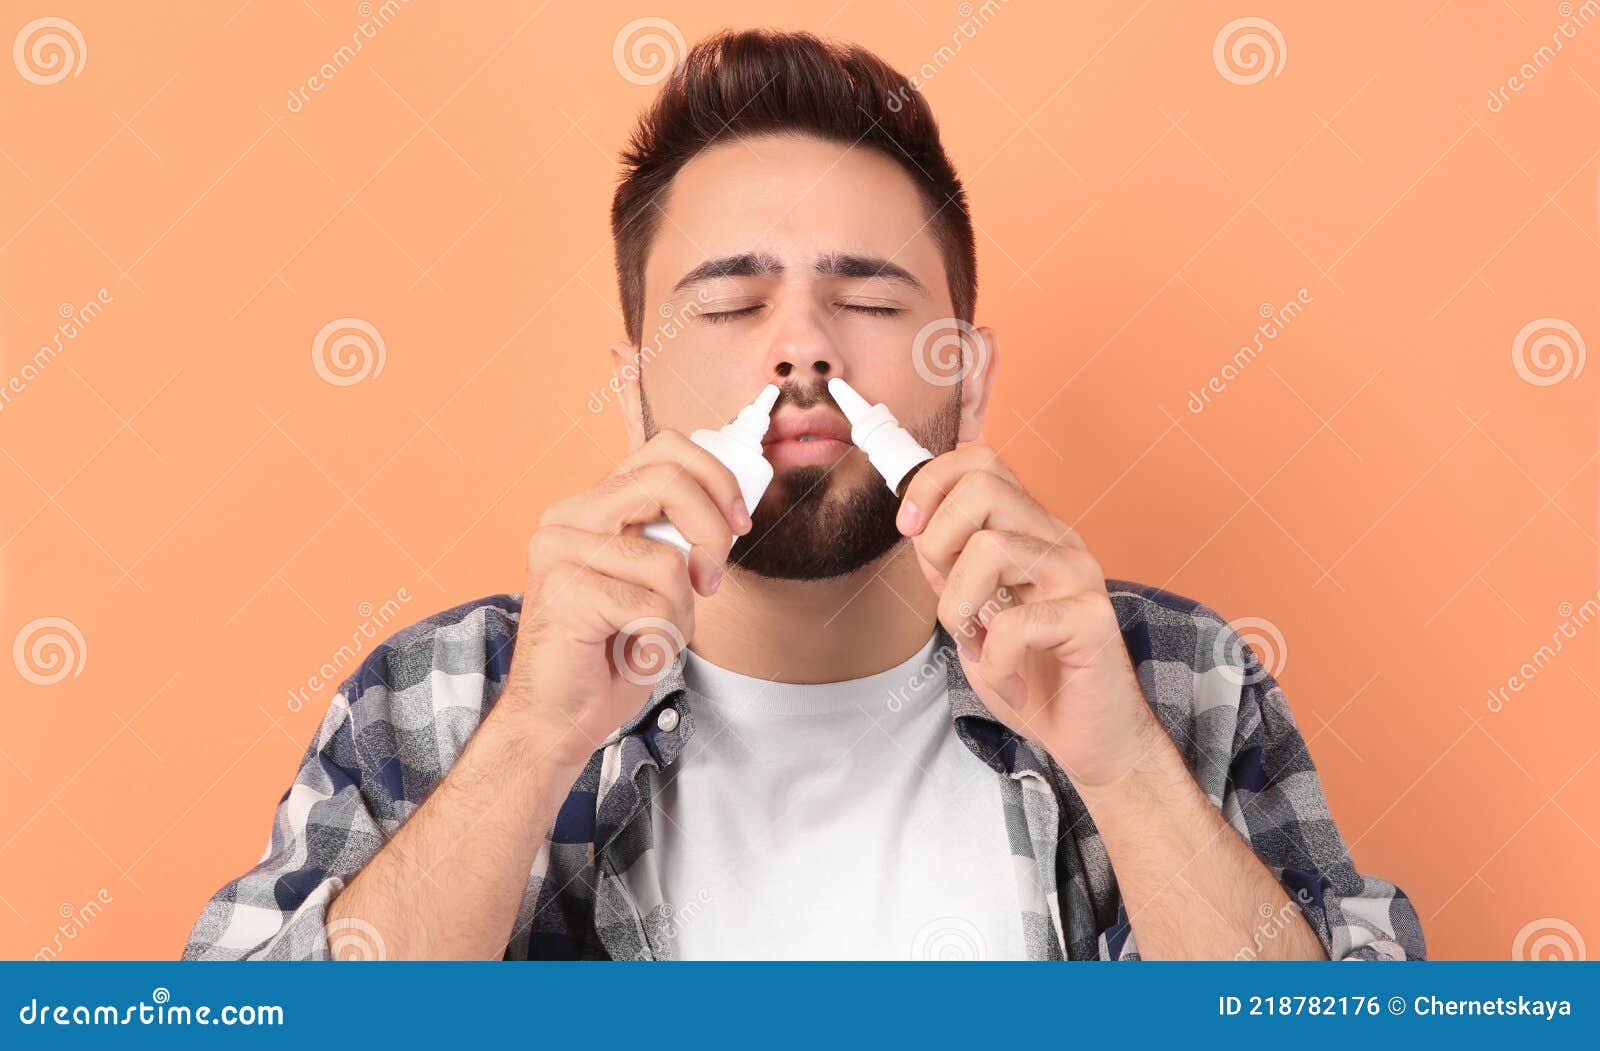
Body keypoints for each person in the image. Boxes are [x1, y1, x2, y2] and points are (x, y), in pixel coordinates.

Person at [182, 28, 1423, 962]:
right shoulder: (439, 700)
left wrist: (1128, 771)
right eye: (728, 304)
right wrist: (526, 749)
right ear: (632, 392)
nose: (802, 349)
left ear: (965, 376)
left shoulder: (1175, 680)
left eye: (872, 301)